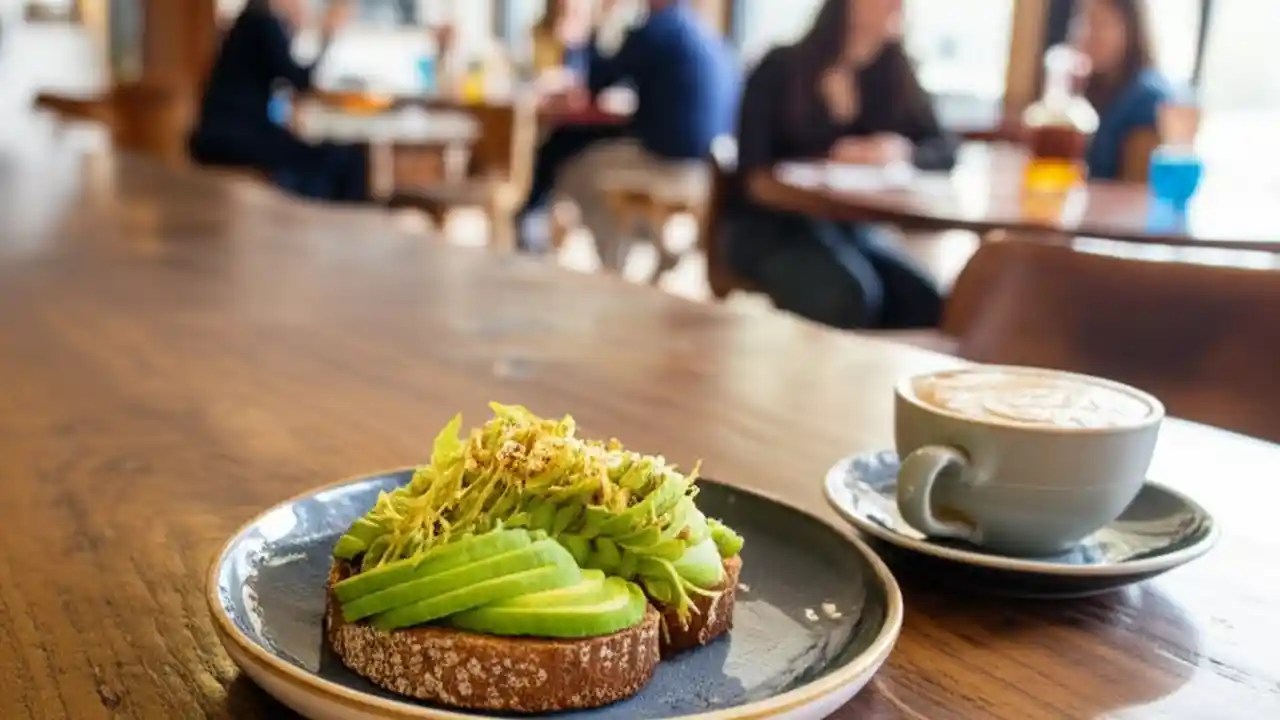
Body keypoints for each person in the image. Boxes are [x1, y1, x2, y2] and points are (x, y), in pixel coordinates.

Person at [725, 0, 954, 330]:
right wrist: (827, 149)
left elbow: (944, 147)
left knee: (923, 299)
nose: (895, 5)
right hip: (772, 226)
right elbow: (752, 166)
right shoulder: (781, 67)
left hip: (849, 228)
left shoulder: (892, 73)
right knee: (848, 294)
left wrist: (899, 151)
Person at [552, 0, 739, 269]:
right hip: (709, 168)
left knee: (574, 171)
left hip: (667, 163)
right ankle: (655, 248)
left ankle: (613, 266)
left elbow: (596, 80)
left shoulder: (654, 30)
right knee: (599, 160)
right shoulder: (705, 32)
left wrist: (597, 22)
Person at [190, 0, 369, 202]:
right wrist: (327, 35)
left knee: (323, 160)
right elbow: (299, 80)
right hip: (236, 137)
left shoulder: (251, 20)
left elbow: (283, 77)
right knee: (343, 159)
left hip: (223, 133)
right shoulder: (262, 22)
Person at [1074, 0, 1173, 181]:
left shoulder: (1148, 98)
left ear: (1131, 29)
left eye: (1101, 24)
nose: (1088, 34)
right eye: (1084, 22)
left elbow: (1135, 189)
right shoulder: (1087, 89)